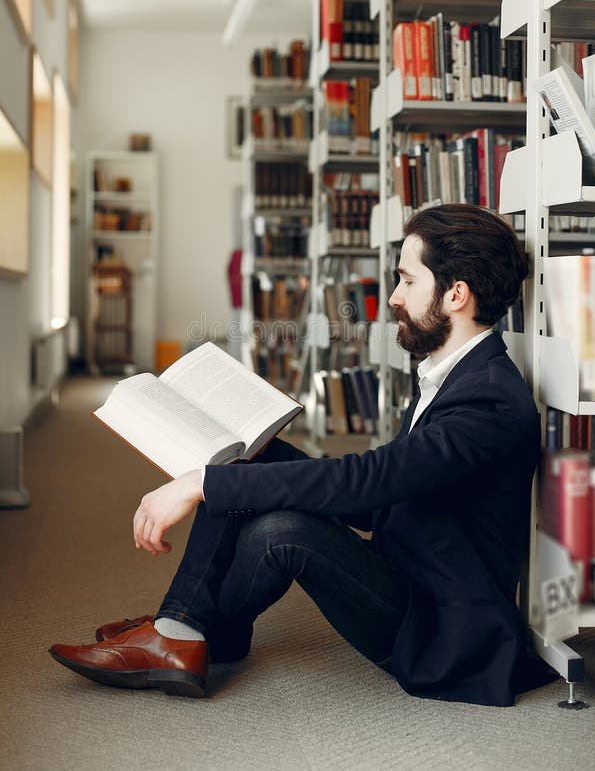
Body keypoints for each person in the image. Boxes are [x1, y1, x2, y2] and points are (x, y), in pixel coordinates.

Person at [50, 203, 549, 707]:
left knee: (281, 531)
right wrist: (239, 464)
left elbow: (374, 482)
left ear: (456, 295)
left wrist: (200, 483)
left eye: (407, 281)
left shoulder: (488, 400)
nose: (394, 298)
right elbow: (385, 503)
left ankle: (187, 631)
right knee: (247, 458)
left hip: (441, 627)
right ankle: (182, 627)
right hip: (408, 572)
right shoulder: (453, 373)